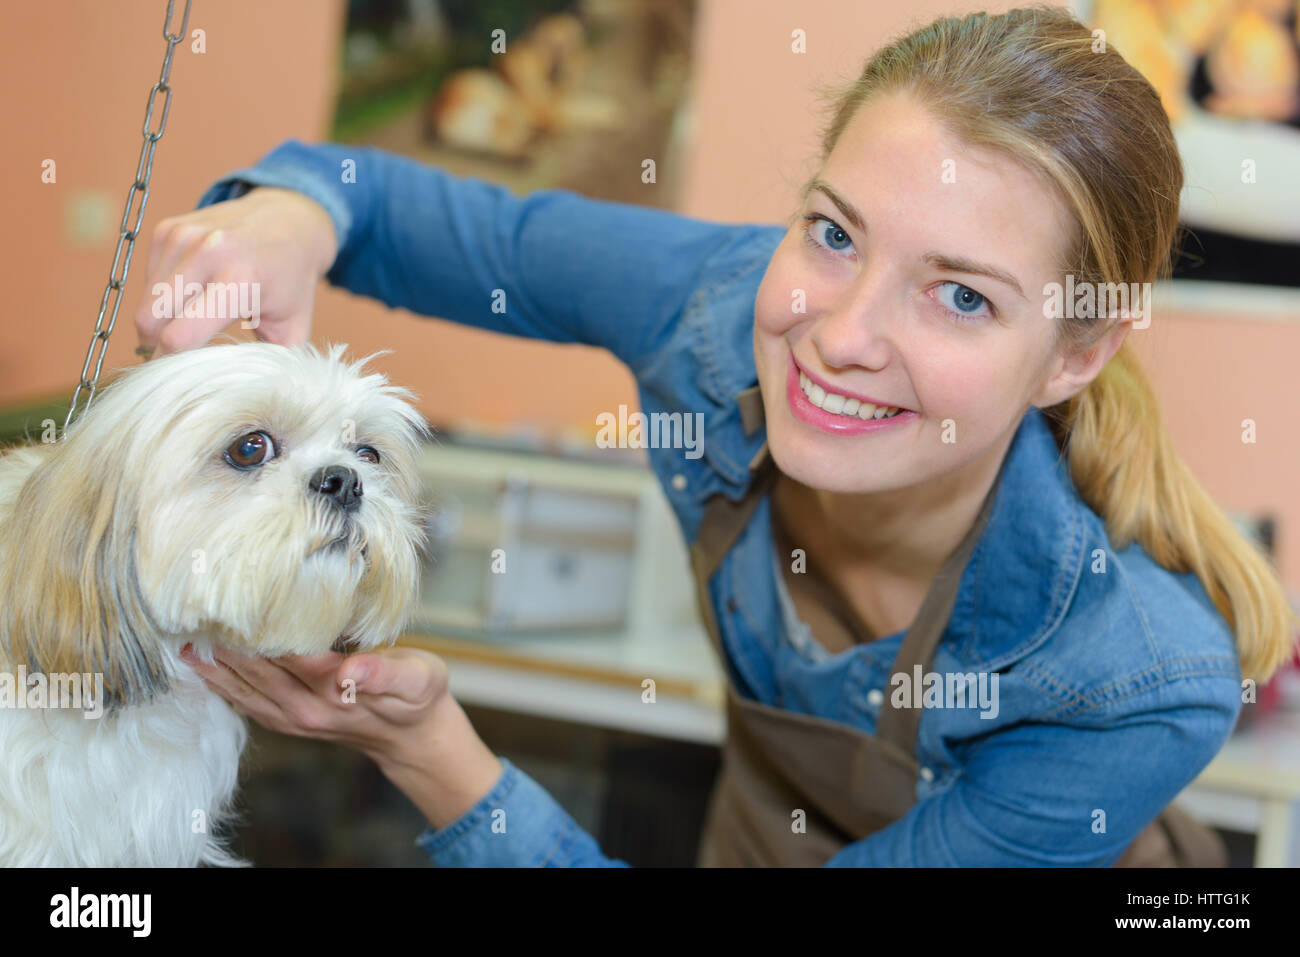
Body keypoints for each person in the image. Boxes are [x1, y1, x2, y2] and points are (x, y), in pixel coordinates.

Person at [135, 7, 1296, 866]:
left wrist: (437, 759)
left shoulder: (1133, 678)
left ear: (1078, 352)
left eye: (961, 296)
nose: (838, 337)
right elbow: (379, 201)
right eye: (834, 234)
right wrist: (288, 216)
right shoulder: (715, 310)